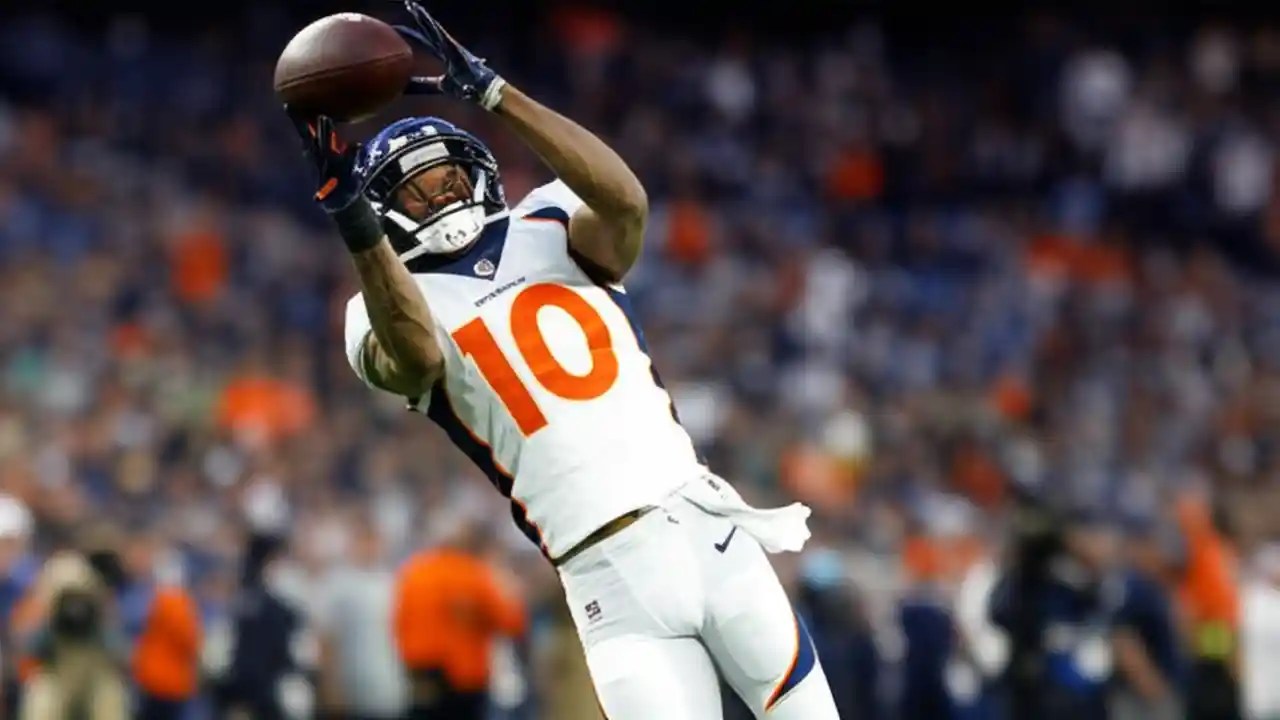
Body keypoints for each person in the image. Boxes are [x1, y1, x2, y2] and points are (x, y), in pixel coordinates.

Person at [281, 2, 838, 717]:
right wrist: (352, 217)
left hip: (708, 530)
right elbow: (416, 358)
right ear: (384, 204)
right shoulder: (380, 307)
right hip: (605, 575)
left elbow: (627, 205)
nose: (445, 190)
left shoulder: (547, 219)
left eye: (450, 173)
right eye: (420, 185)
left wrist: (496, 94)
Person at [392, 519, 525, 720]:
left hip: (421, 674)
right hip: (464, 677)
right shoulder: (474, 575)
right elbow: (512, 622)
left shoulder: (414, 573)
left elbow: (398, 623)